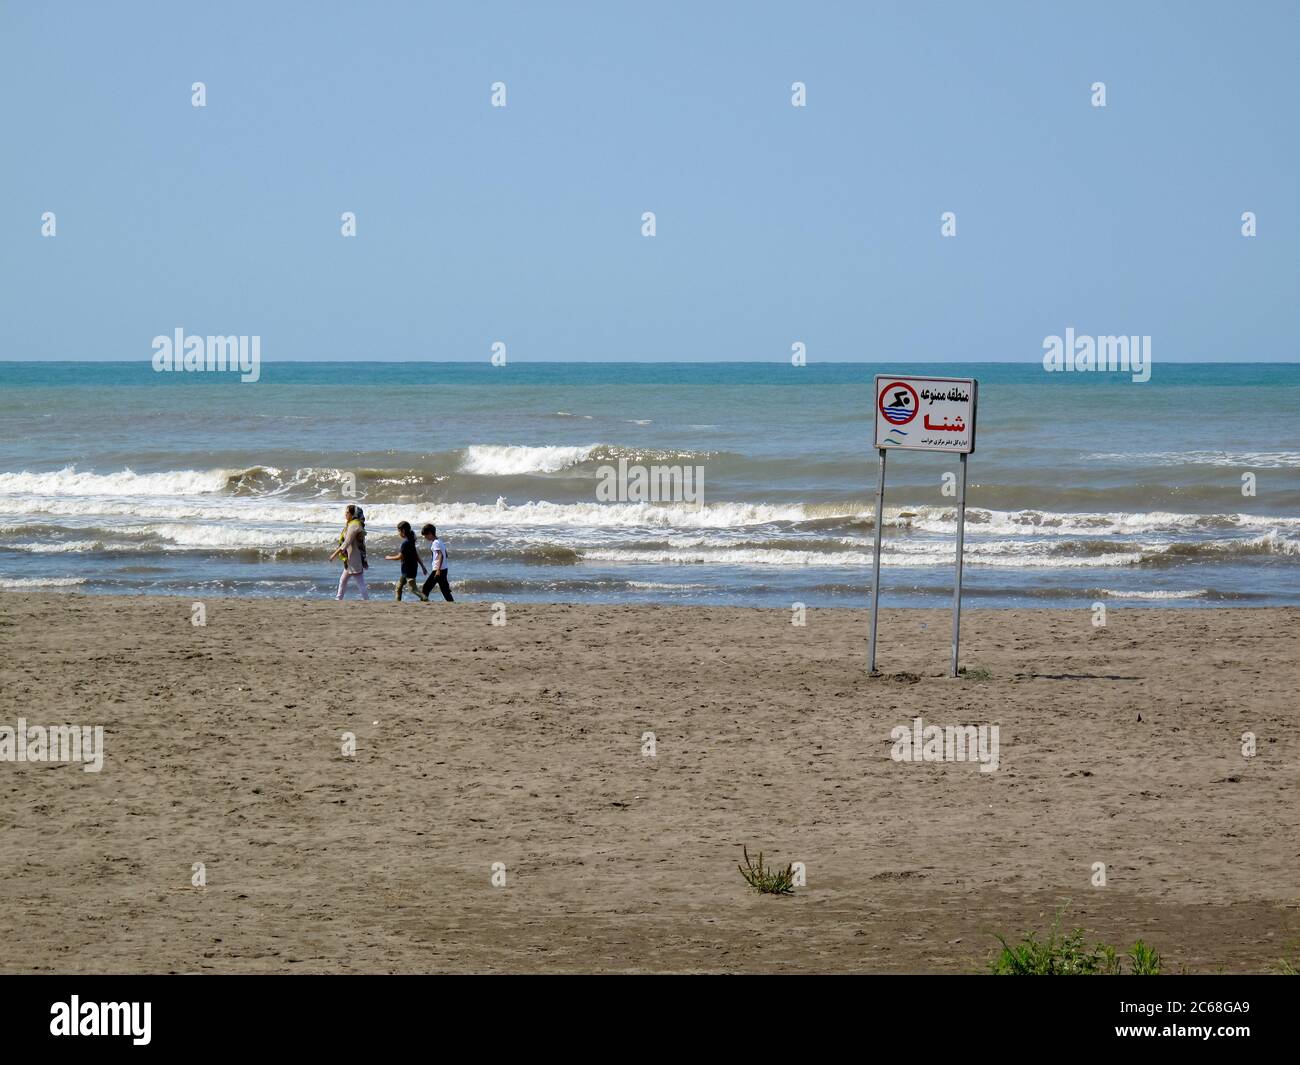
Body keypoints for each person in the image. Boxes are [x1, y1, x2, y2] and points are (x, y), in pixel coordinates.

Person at [328, 504, 369, 600]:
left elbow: (346, 542)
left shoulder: (354, 525)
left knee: (359, 581)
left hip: (354, 558)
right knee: (343, 580)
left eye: (347, 512)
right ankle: (338, 599)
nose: (345, 514)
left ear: (352, 514)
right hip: (351, 558)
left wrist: (334, 554)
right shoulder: (352, 524)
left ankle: (367, 600)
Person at [386, 521, 428, 601]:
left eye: (399, 531)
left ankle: (424, 598)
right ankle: (397, 601)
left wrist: (389, 557)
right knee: (399, 586)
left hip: (407, 570)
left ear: (403, 531)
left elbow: (399, 557)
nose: (399, 533)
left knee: (413, 589)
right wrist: (423, 567)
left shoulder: (405, 544)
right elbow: (416, 555)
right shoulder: (411, 542)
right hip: (412, 568)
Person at [420, 523, 453, 602]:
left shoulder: (435, 543)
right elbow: (445, 554)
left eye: (425, 535)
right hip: (443, 569)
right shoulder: (440, 541)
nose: (425, 538)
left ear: (430, 534)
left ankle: (423, 603)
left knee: (426, 588)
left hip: (438, 570)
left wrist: (438, 570)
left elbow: (440, 555)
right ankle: (452, 603)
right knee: (445, 590)